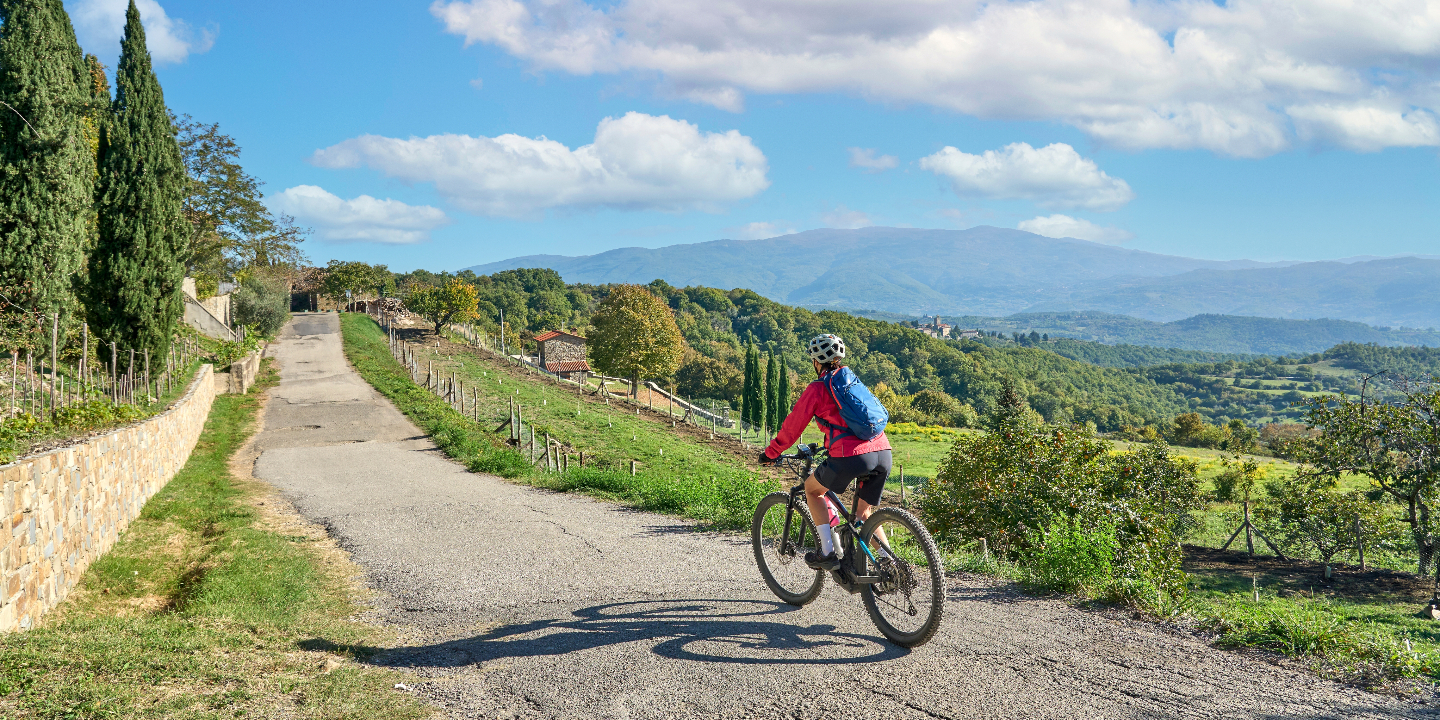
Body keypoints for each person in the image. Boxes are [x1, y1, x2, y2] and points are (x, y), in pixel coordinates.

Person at [758, 334, 891, 569]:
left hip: (852, 456)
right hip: (883, 450)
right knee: (863, 515)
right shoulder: (852, 380)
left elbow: (793, 426)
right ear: (838, 359)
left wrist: (771, 452)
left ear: (816, 362)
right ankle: (891, 564)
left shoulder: (818, 388)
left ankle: (827, 552)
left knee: (812, 490)